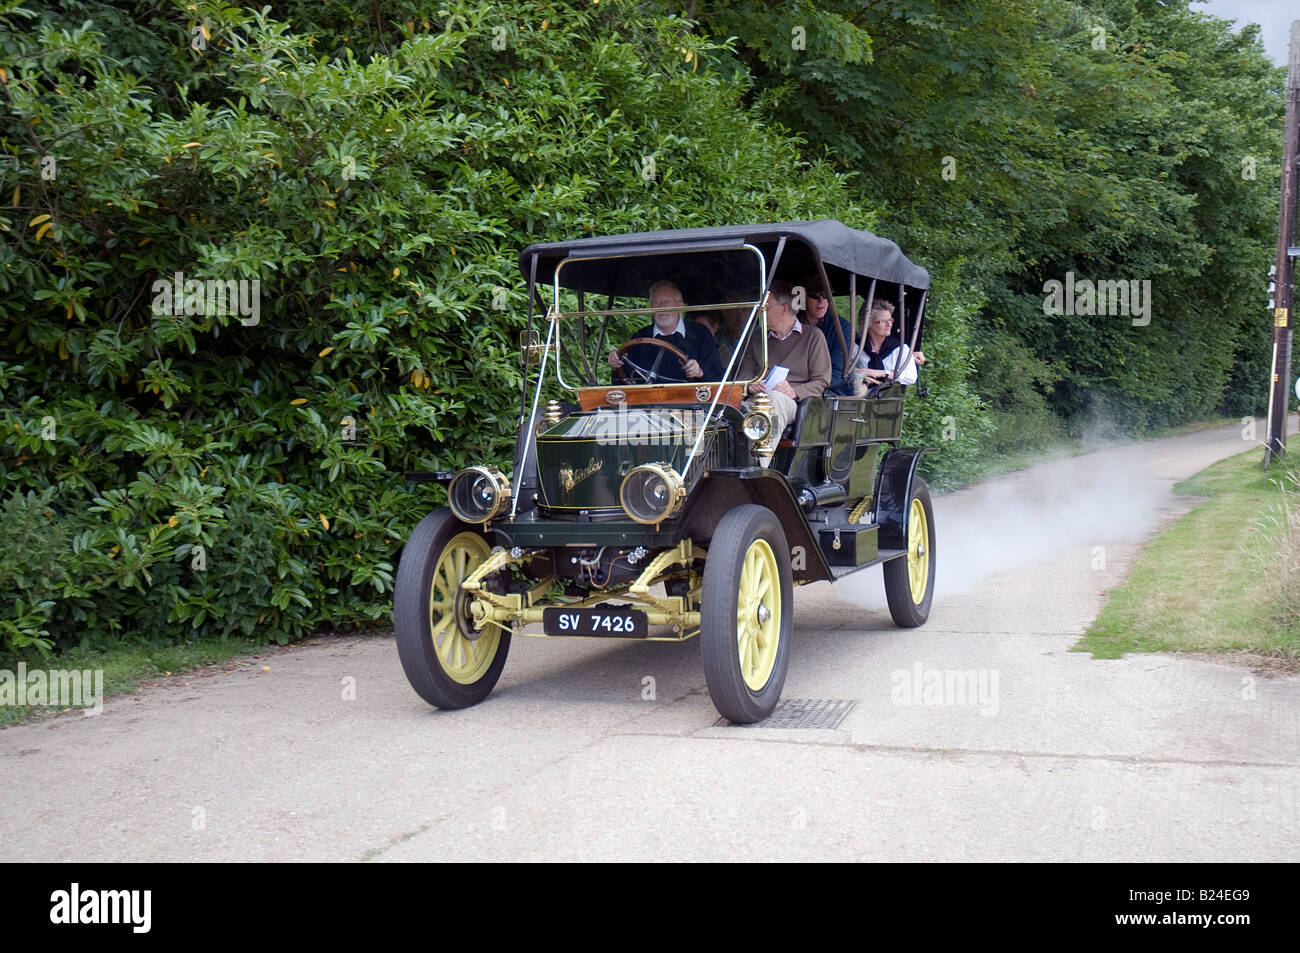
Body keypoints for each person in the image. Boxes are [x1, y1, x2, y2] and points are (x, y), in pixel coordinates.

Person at [737, 279, 831, 438]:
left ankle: (761, 461)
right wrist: (750, 385)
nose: (762, 311)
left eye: (767, 307)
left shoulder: (813, 336)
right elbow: (742, 378)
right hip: (756, 400)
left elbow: (821, 381)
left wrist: (794, 391)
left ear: (785, 309)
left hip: (794, 404)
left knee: (774, 400)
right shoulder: (757, 341)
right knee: (723, 409)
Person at [608, 280, 722, 383]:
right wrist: (616, 362)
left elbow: (717, 379)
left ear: (680, 305)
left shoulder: (700, 334)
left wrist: (699, 372)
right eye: (656, 303)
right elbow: (623, 381)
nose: (661, 307)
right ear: (651, 307)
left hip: (689, 403)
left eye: (667, 302)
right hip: (648, 402)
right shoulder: (639, 337)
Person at [798, 274, 855, 396]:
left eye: (826, 295)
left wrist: (801, 388)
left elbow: (838, 372)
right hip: (795, 387)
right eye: (815, 295)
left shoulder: (842, 328)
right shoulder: (791, 323)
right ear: (803, 297)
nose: (821, 300)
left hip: (832, 392)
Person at [852, 298, 925, 393]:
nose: (889, 324)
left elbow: (911, 376)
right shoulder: (856, 347)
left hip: (888, 401)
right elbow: (845, 370)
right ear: (868, 323)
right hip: (858, 398)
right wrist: (861, 375)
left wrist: (883, 373)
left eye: (890, 320)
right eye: (883, 321)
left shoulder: (900, 349)